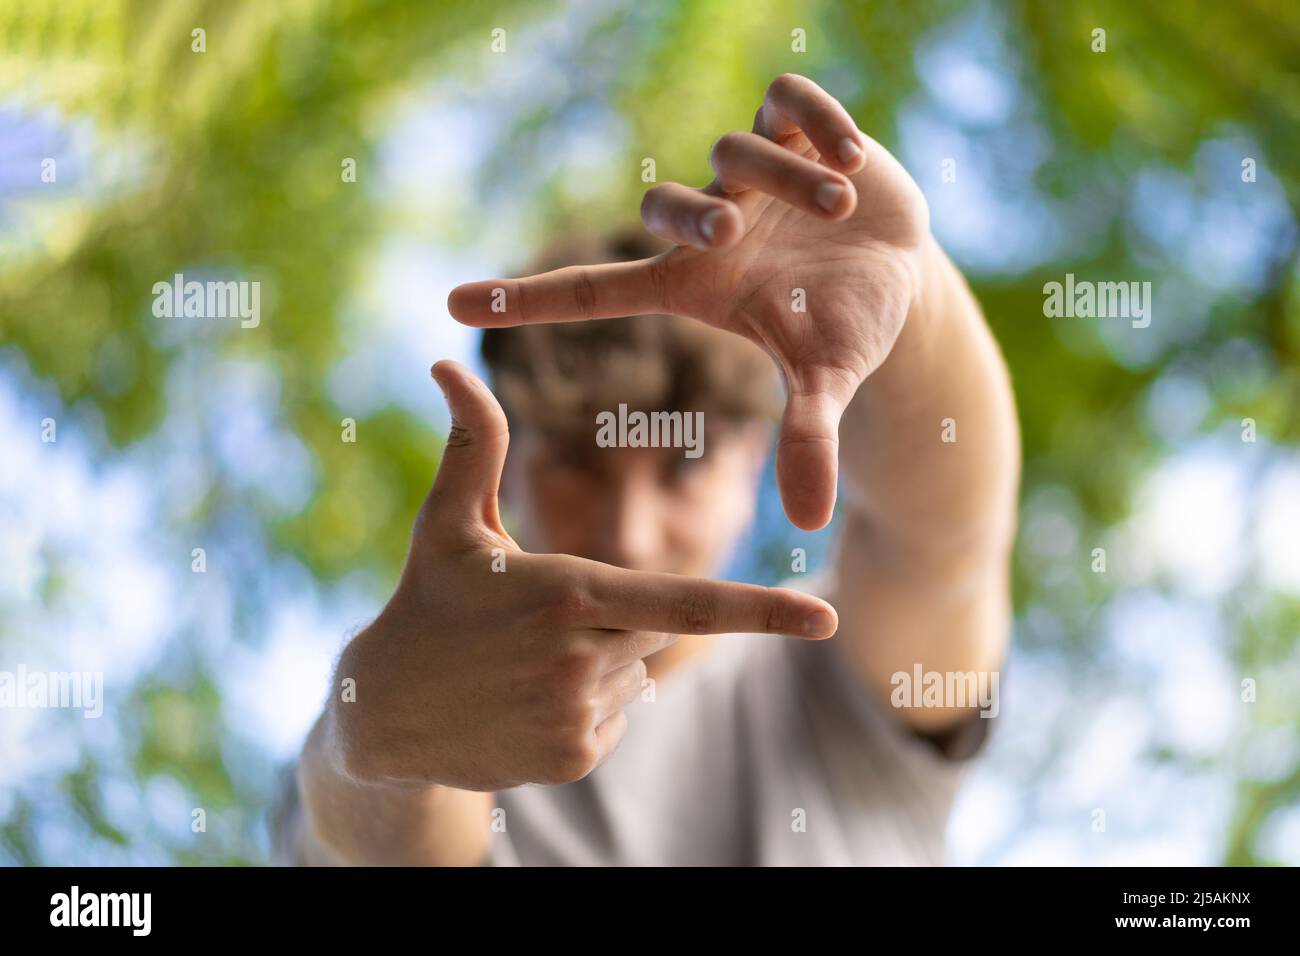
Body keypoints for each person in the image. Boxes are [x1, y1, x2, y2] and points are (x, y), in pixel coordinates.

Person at [275, 73, 1020, 866]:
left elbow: (943, 542)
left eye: (684, 463)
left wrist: (913, 290)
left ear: (750, 466)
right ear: (506, 468)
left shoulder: (830, 672)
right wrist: (378, 739)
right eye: (574, 462)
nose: (626, 534)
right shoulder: (431, 693)